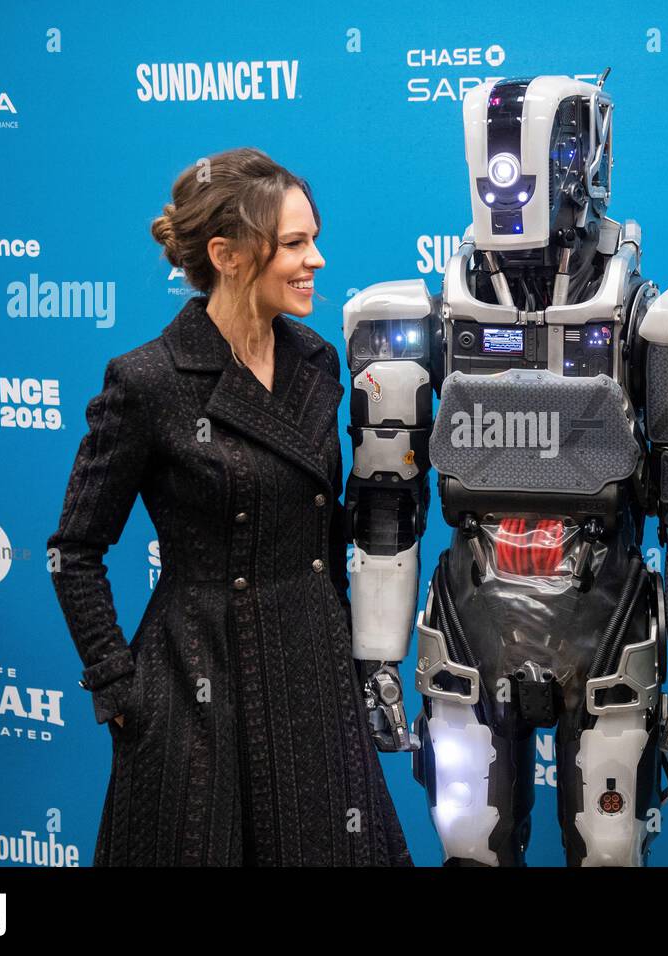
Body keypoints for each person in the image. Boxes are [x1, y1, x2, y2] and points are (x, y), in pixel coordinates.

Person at [47, 147, 411, 866]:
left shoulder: (315, 358)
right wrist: (122, 688)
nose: (319, 260)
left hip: (313, 676)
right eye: (297, 244)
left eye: (314, 238)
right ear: (229, 254)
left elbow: (323, 527)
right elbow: (74, 551)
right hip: (196, 687)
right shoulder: (149, 380)